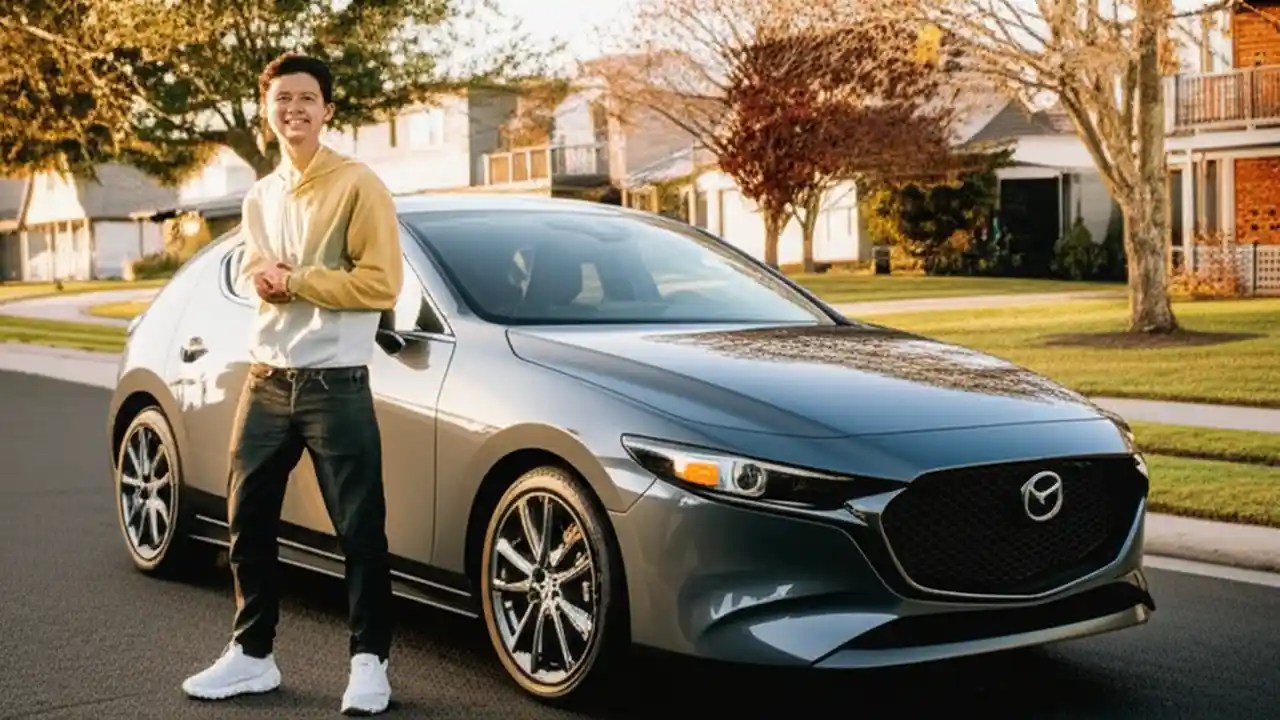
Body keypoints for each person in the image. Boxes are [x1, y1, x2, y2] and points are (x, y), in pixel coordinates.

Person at [180, 52, 403, 716]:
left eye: (307, 98)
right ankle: (252, 657)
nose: (295, 109)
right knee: (246, 522)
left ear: (328, 109)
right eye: (283, 99)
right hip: (267, 382)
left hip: (336, 383)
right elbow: (258, 271)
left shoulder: (359, 184)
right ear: (266, 109)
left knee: (360, 532)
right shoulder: (260, 195)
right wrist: (267, 278)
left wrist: (297, 280)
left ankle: (370, 663)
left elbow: (381, 282)